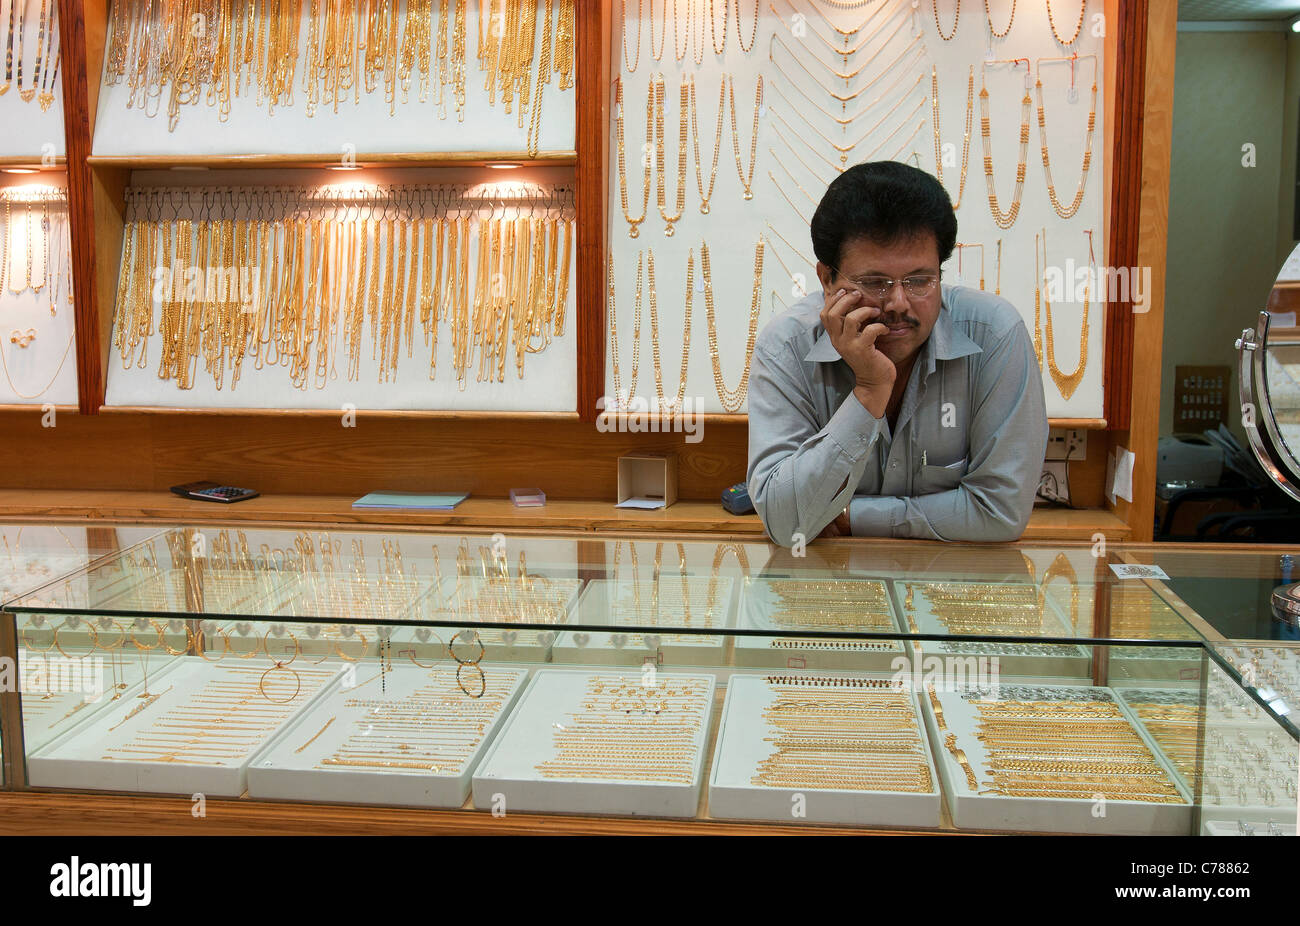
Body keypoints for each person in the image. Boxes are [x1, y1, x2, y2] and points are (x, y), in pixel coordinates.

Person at [747, 161, 1048, 545]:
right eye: (875, 283)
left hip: (952, 592)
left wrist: (851, 515)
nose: (898, 303)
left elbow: (1000, 512)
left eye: (920, 280)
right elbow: (786, 523)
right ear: (827, 280)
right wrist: (870, 390)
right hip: (826, 591)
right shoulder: (787, 347)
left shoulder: (995, 336)